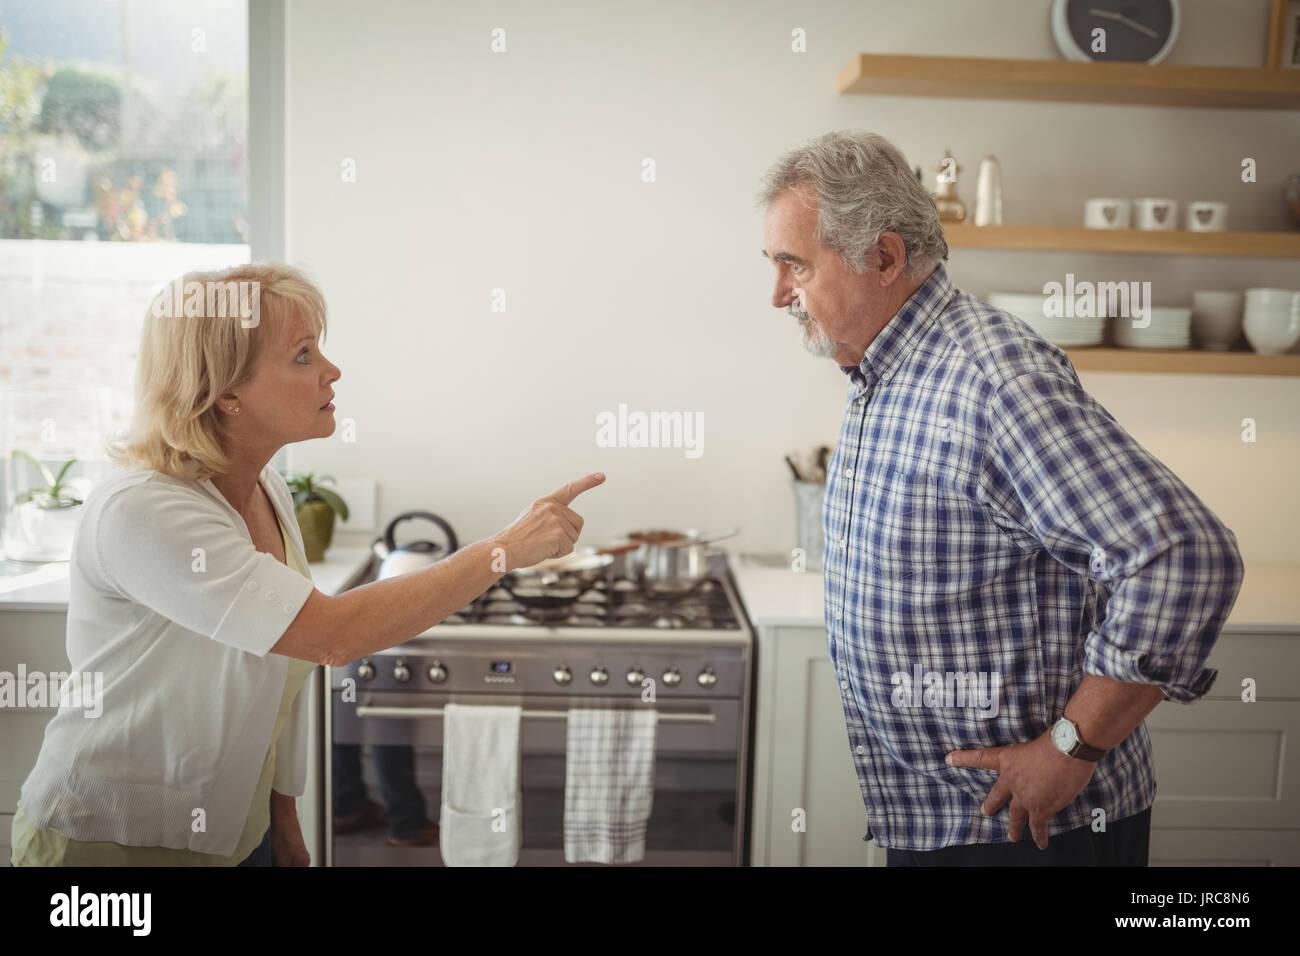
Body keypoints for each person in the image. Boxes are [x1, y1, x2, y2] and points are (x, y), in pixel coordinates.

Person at [10, 262, 604, 866]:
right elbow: (330, 635)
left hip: (235, 834)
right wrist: (502, 549)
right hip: (106, 844)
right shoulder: (145, 508)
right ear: (226, 393)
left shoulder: (267, 488)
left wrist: (282, 817)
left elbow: (277, 670)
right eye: (302, 355)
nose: (332, 370)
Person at [756, 130, 1244, 866]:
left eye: (794, 265)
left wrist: (1070, 748)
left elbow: (1184, 557)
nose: (777, 296)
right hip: (941, 821)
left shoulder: (989, 378)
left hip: (1028, 829)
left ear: (884, 258)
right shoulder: (885, 370)